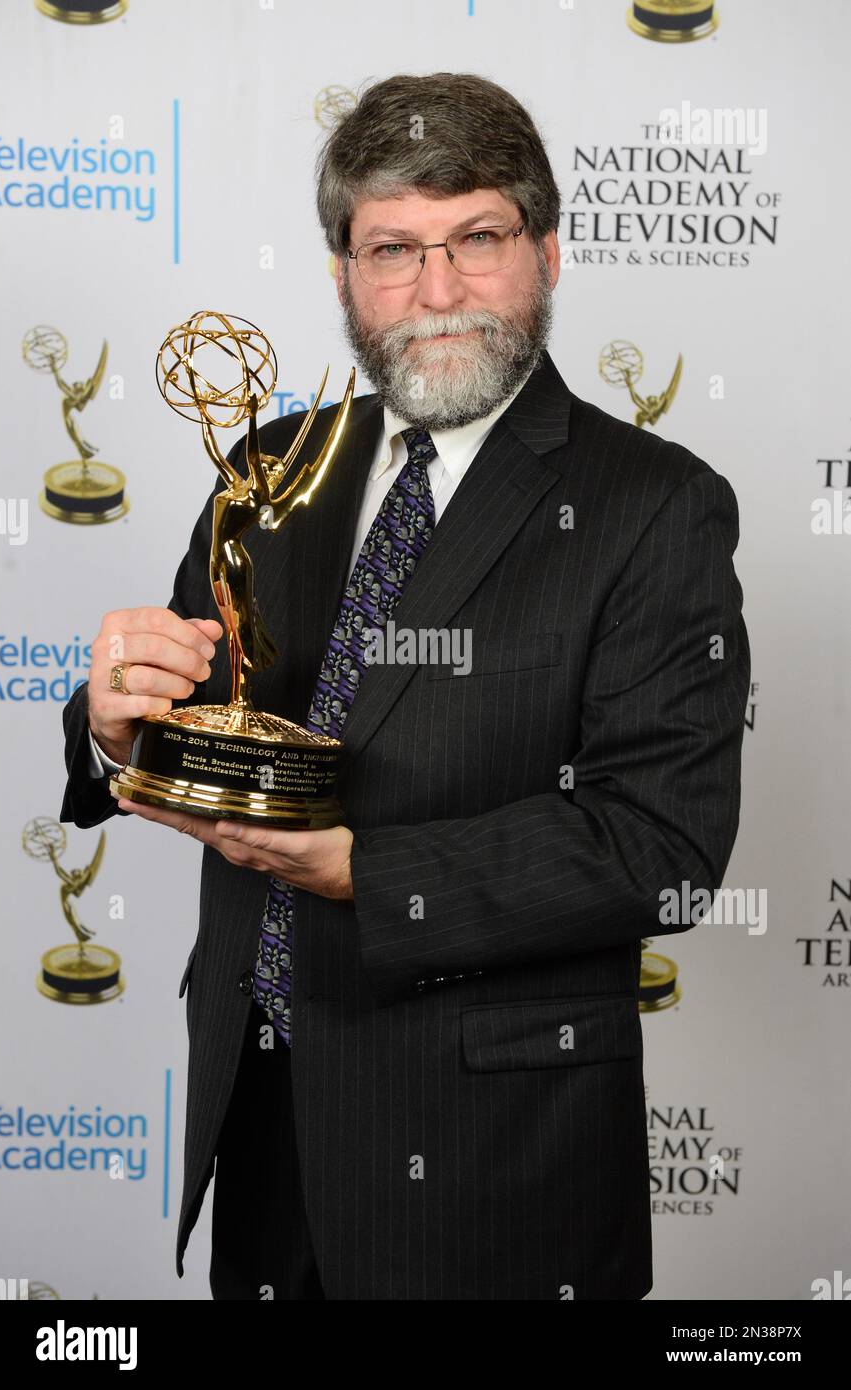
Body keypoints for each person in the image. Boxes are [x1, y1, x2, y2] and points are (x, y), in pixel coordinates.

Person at [60, 72, 750, 1300]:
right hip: (261, 1112)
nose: (437, 292)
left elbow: (663, 842)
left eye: (476, 238)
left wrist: (358, 871)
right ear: (342, 275)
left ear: (544, 248)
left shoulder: (653, 503)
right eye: (393, 250)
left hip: (495, 1165)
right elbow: (185, 727)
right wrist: (113, 727)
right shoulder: (272, 465)